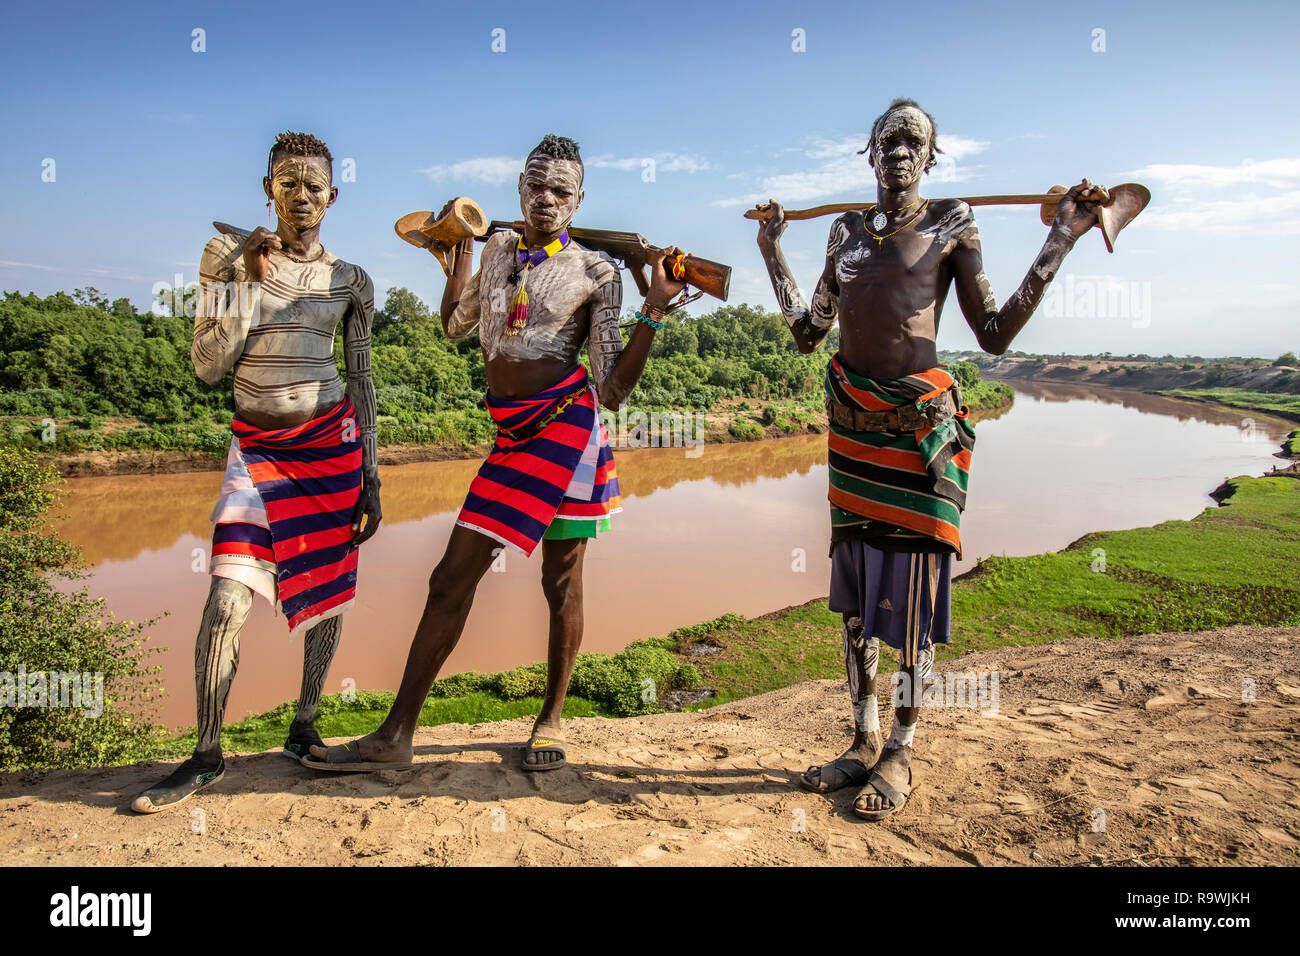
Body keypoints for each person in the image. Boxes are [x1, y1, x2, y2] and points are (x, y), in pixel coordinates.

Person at [755, 99, 1105, 820]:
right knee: (854, 603)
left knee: (914, 602)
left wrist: (1061, 239)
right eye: (889, 140)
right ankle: (862, 737)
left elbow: (997, 332)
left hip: (918, 432)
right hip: (853, 431)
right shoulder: (844, 233)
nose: (900, 151)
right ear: (869, 152)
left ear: (932, 157)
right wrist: (771, 249)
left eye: (914, 141)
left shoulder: (952, 222)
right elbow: (804, 331)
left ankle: (903, 750)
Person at [304, 134, 685, 773]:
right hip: (511, 437)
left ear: (579, 198)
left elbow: (614, 389)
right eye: (536, 186)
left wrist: (653, 308)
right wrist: (453, 255)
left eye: (561, 190)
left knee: (560, 581)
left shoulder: (598, 273)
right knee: (450, 577)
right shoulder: (502, 250)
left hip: (568, 430)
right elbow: (456, 325)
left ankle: (551, 719)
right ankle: (396, 735)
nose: (547, 198)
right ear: (519, 190)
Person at [131, 131, 382, 813]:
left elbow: (361, 378)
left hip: (333, 446)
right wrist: (246, 275)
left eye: (315, 186)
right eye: (288, 183)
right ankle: (206, 752)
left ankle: (304, 730)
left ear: (334, 196)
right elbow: (209, 365)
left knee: (330, 598)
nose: (302, 196)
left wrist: (373, 475)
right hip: (258, 453)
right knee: (226, 602)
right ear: (267, 189)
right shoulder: (225, 256)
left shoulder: (351, 280)